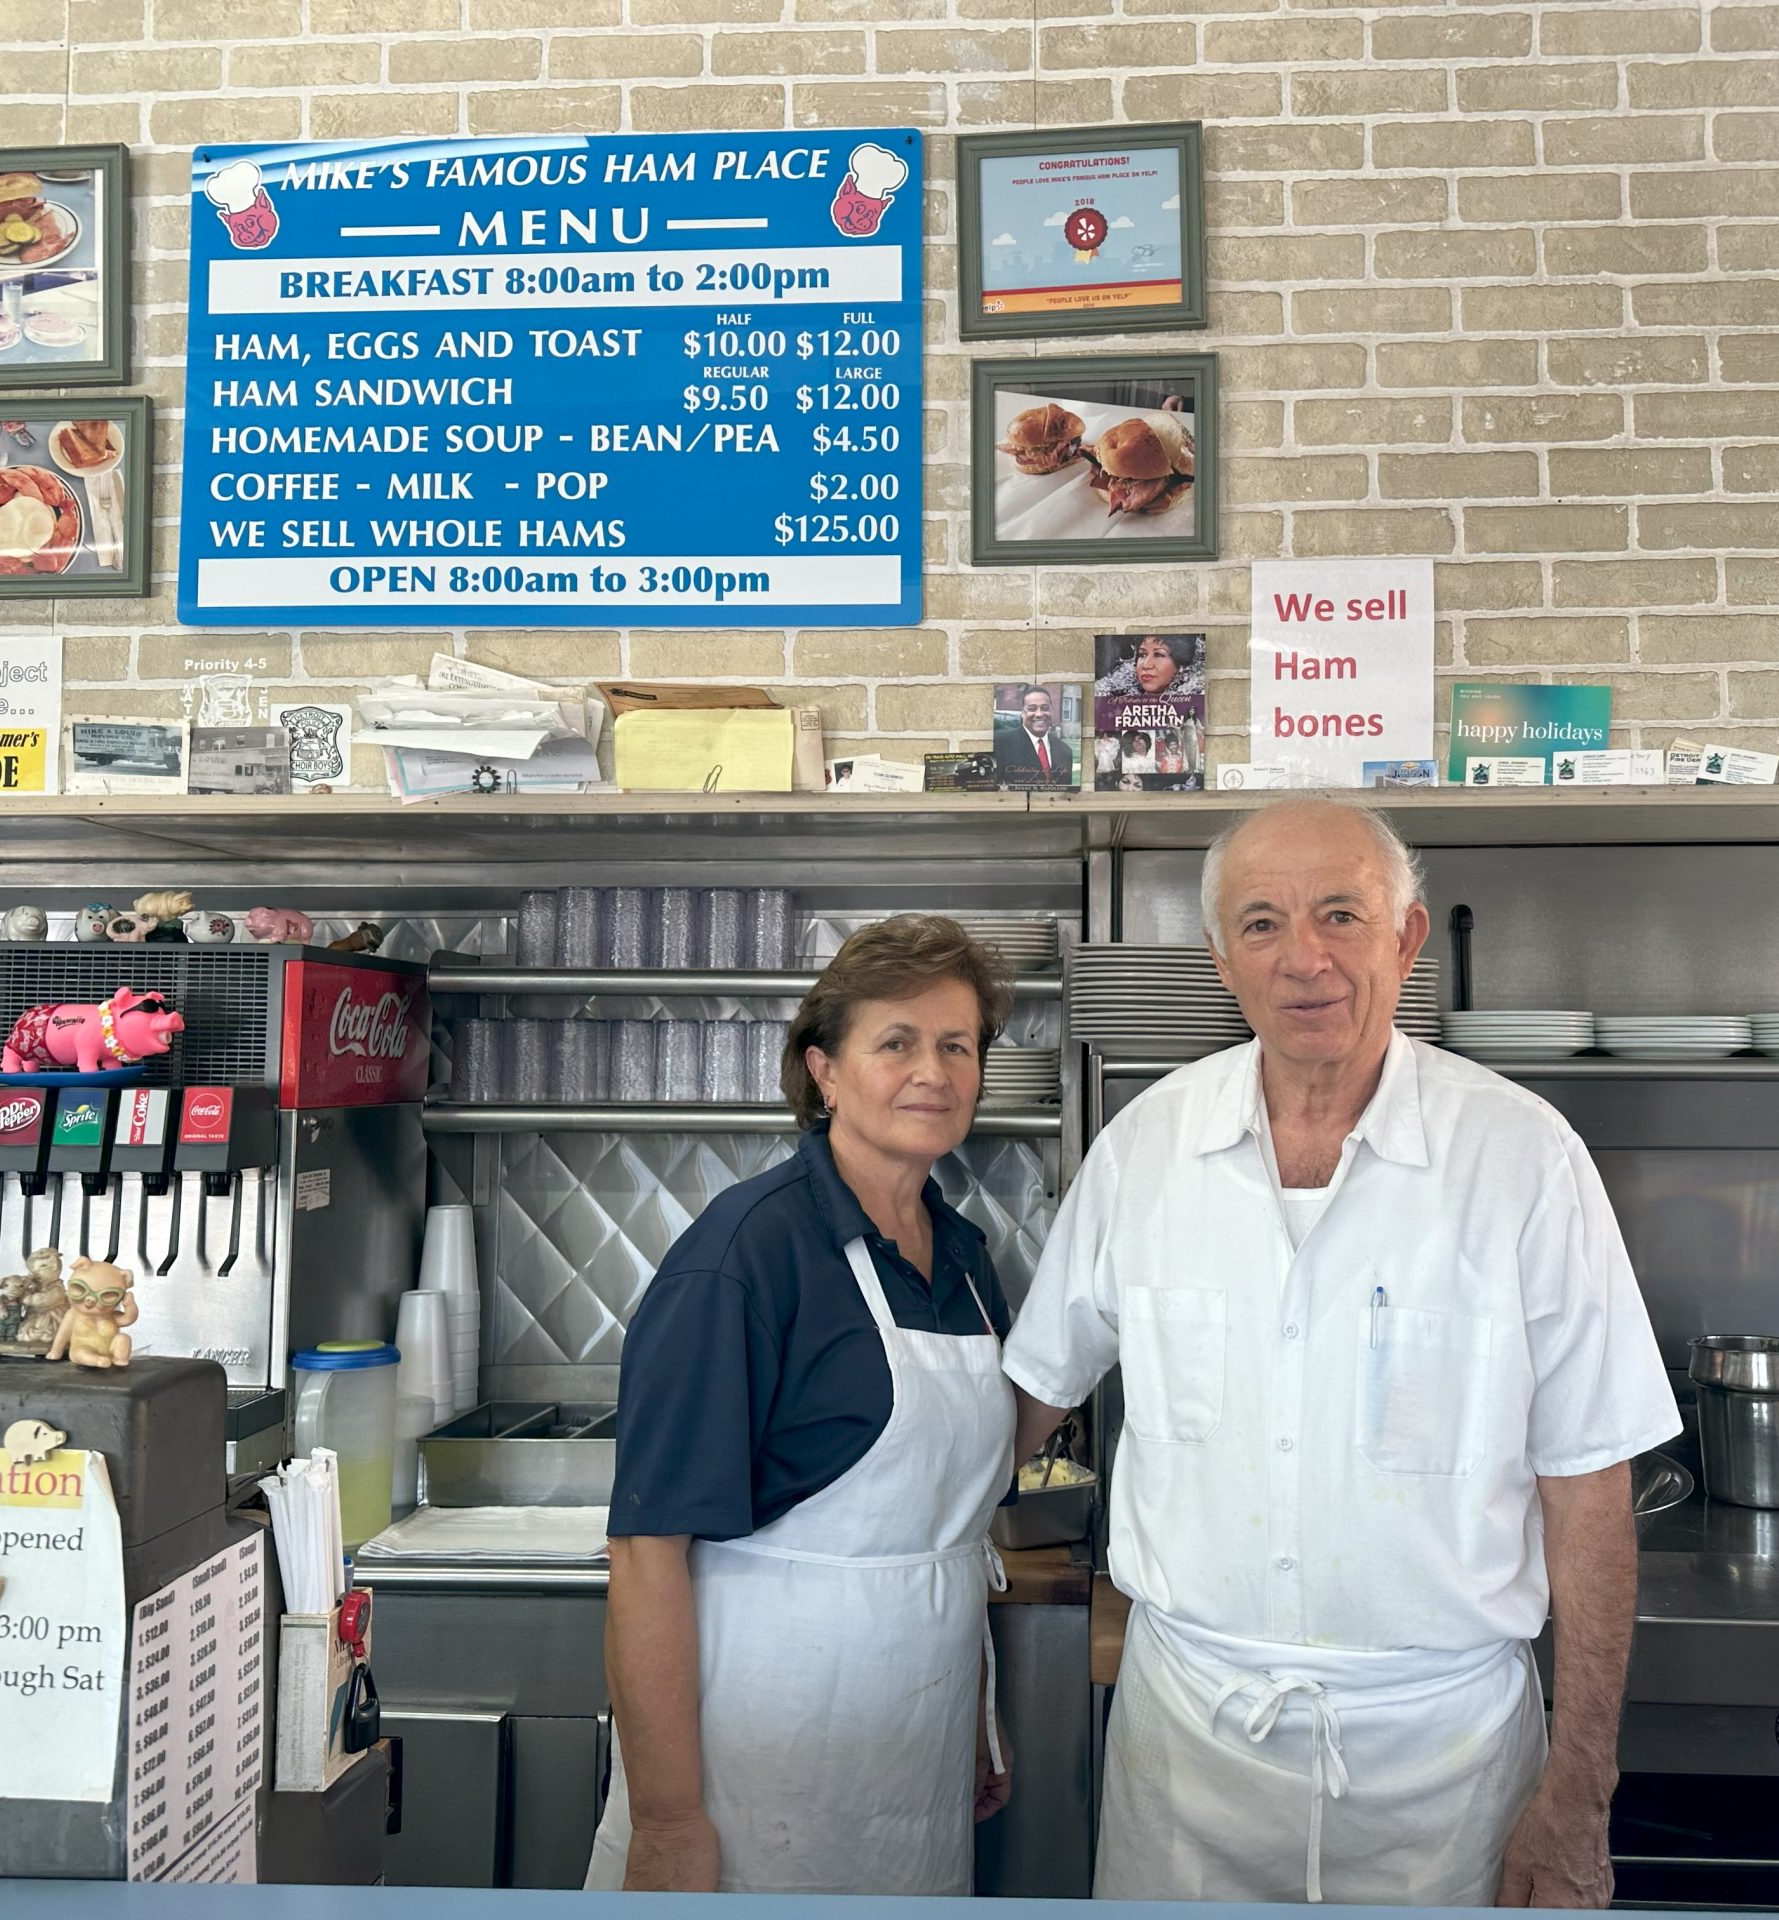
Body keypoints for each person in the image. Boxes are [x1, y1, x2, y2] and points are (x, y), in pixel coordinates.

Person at [1004, 797, 1676, 1908]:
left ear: (1405, 941)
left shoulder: (1521, 1160)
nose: (1303, 958)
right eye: (1262, 924)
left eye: (1339, 916)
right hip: (1187, 1757)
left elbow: (1589, 1482)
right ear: (1221, 960)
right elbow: (1034, 1395)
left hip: (1445, 1771)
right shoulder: (1145, 1153)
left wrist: (1580, 1787)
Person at [590, 915, 1021, 1895]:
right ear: (824, 1072)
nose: (934, 1071)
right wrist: (664, 1820)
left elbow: (941, 1536)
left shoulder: (960, 1258)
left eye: (957, 1045)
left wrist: (975, 1715)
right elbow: (645, 1552)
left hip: (918, 1741)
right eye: (896, 1043)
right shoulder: (745, 1256)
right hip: (756, 1759)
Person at [995, 684, 1073, 787]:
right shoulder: (1000, 744)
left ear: (1052, 712)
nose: (1039, 714)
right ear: (1023, 713)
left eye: (1045, 708)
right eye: (1032, 709)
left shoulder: (1065, 751)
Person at [1094, 632, 1204, 700]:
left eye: (1158, 655)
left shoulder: (1195, 702)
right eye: (1142, 655)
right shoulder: (1109, 695)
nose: (1146, 665)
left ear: (1181, 665)